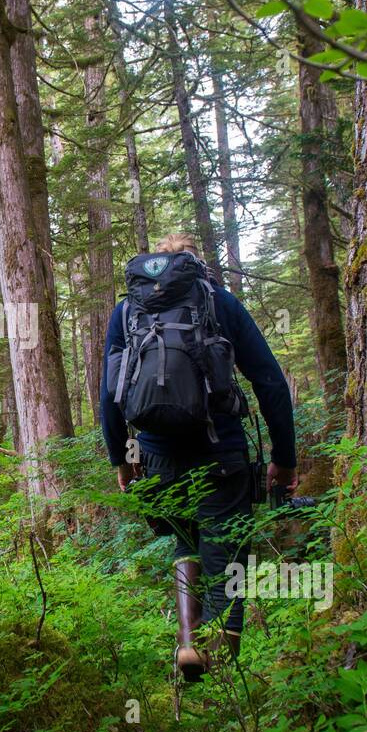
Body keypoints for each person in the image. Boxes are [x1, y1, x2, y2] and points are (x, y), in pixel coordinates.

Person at [100, 233, 298, 680]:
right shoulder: (221, 304)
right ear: (197, 266)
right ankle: (226, 682)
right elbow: (269, 382)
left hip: (156, 461)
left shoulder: (127, 311)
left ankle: (189, 645)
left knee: (184, 542)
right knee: (229, 561)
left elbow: (109, 397)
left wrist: (122, 461)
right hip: (221, 456)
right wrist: (284, 457)